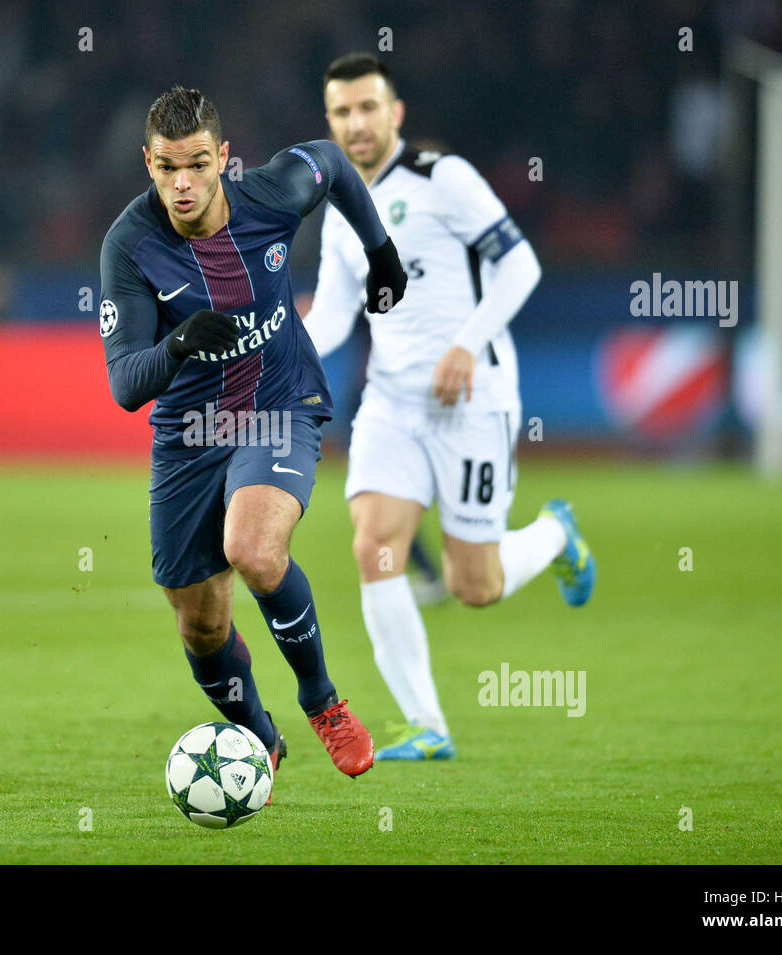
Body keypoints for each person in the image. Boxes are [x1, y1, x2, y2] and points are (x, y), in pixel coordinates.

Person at [98, 85, 409, 783]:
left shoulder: (269, 195)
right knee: (200, 625)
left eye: (199, 165)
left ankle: (322, 702)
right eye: (168, 167)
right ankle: (257, 735)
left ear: (223, 158)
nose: (183, 183)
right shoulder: (130, 246)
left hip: (279, 401)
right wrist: (178, 344)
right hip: (187, 431)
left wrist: (381, 252)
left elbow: (329, 161)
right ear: (147, 161)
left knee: (255, 549)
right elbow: (124, 386)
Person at [303, 54, 595, 761]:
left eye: (368, 107)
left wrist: (467, 343)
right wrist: (278, 351)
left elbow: (521, 263)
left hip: (472, 399)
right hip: (392, 404)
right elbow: (337, 317)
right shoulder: (341, 214)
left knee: (476, 585)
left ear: (394, 112)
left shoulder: (444, 178)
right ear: (331, 121)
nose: (356, 123)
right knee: (374, 546)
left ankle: (556, 533)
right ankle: (428, 725)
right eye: (342, 112)